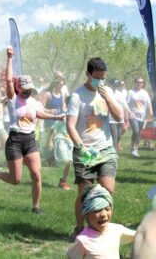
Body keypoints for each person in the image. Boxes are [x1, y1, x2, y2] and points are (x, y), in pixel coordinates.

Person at [0, 47, 65, 215]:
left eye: (30, 89)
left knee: (36, 174)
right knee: (16, 180)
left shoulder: (34, 102)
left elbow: (39, 113)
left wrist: (56, 118)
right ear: (19, 88)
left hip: (30, 141)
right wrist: (9, 58)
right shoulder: (13, 100)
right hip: (15, 141)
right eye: (25, 89)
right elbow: (8, 81)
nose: (28, 91)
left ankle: (36, 207)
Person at [66, 57, 123, 240]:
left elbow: (119, 115)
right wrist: (81, 148)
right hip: (85, 151)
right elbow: (70, 126)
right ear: (88, 75)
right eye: (97, 77)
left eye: (103, 78)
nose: (100, 81)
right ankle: (80, 227)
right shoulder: (77, 96)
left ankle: (101, 226)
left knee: (108, 189)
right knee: (85, 193)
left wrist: (107, 97)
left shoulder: (107, 93)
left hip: (106, 149)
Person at [67, 184, 135, 258]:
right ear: (86, 213)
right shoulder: (82, 241)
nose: (103, 214)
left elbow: (141, 235)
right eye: (98, 210)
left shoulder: (117, 230)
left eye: (107, 209)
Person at [47, 96, 73, 190]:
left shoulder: (77, 117)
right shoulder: (63, 116)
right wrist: (49, 141)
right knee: (66, 161)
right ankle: (52, 157)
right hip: (61, 140)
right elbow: (52, 129)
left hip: (71, 142)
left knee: (69, 162)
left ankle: (63, 181)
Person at [126, 77, 153, 157]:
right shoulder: (130, 92)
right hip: (133, 115)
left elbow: (148, 103)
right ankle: (134, 149)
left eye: (141, 82)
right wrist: (129, 113)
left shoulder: (145, 93)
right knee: (136, 131)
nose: (139, 84)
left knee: (138, 133)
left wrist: (150, 111)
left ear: (143, 84)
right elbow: (126, 104)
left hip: (142, 116)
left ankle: (134, 148)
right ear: (135, 82)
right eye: (138, 82)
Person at [42, 77, 66, 166]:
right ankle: (49, 159)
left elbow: (63, 106)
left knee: (56, 140)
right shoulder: (48, 94)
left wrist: (66, 111)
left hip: (59, 120)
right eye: (60, 84)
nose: (61, 86)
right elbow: (40, 107)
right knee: (50, 140)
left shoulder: (62, 94)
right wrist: (49, 111)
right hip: (50, 119)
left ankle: (51, 160)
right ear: (55, 84)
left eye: (63, 84)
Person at [109, 80, 130, 152]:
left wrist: (130, 111)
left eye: (116, 85)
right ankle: (114, 153)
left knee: (118, 136)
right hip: (111, 118)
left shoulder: (119, 94)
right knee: (114, 136)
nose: (115, 87)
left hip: (120, 118)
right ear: (110, 85)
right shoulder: (107, 93)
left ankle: (112, 148)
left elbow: (124, 103)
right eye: (114, 85)